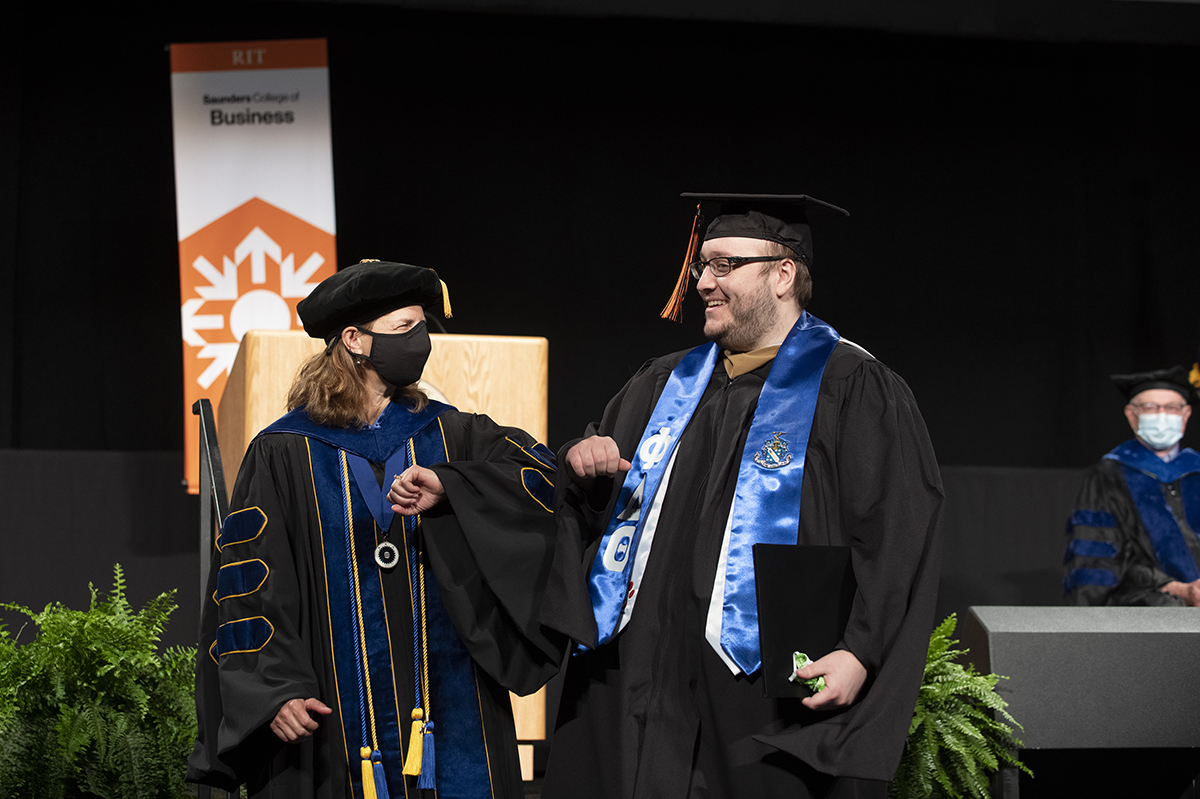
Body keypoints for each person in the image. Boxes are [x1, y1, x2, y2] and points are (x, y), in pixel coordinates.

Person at [540, 194, 944, 798]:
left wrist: (862, 650)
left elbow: (897, 538)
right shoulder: (663, 381)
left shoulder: (854, 386)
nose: (703, 281)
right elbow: (601, 498)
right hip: (634, 676)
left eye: (724, 265)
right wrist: (586, 470)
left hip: (760, 688)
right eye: (704, 265)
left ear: (783, 274)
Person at [188, 260, 564, 799]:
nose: (420, 340)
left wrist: (454, 483)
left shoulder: (452, 432)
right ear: (354, 340)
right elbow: (250, 585)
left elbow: (542, 480)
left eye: (421, 327)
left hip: (453, 700)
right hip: (330, 705)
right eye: (403, 328)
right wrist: (273, 690)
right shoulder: (283, 452)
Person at [1063, 366, 1200, 606]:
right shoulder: (1108, 475)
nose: (1161, 415)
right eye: (1150, 407)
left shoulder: (1196, 469)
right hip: (1149, 610)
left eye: (1171, 407)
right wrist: (1178, 589)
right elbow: (1098, 565)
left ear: (1186, 414)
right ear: (1131, 415)